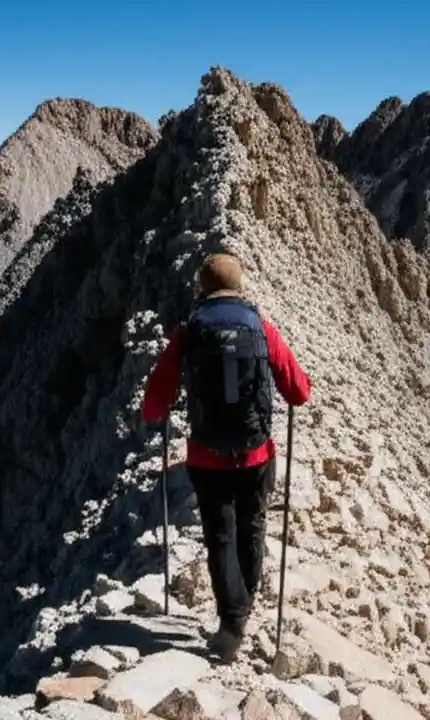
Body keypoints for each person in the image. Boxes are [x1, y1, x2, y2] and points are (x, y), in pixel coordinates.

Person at [141, 253, 311, 662]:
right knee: (252, 529)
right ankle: (241, 611)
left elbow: (154, 402)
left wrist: (159, 412)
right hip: (256, 455)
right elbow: (300, 392)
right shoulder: (261, 328)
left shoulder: (190, 331)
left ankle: (233, 618)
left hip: (207, 455)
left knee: (221, 535)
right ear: (239, 287)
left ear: (202, 289)